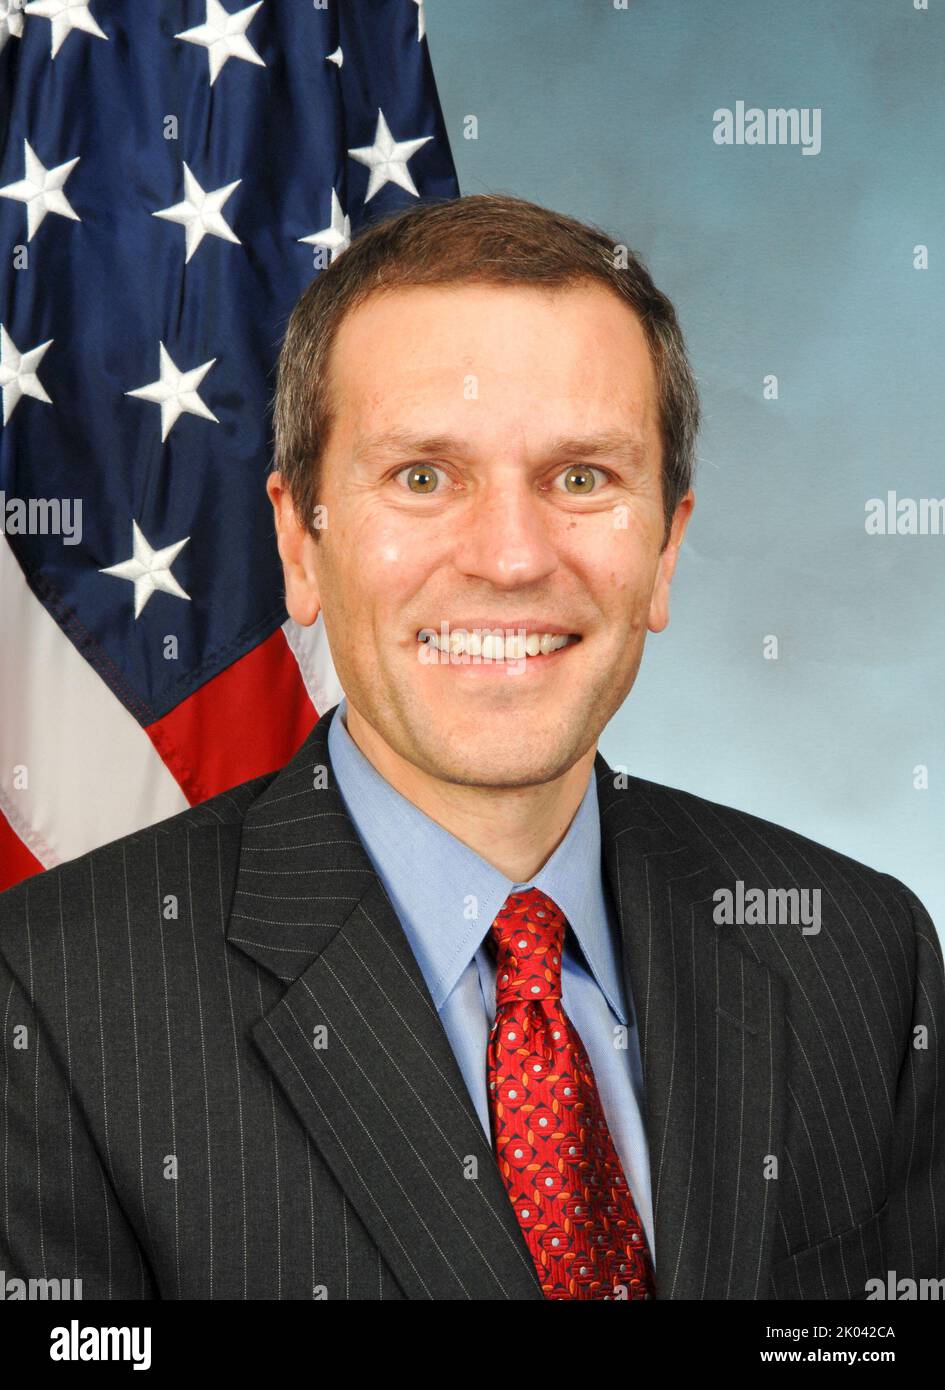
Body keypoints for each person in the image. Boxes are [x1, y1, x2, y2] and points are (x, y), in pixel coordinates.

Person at [0, 195, 941, 1301]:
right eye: (424, 477)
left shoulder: (858, 955)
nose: (509, 556)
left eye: (581, 476)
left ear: (667, 548)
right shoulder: (52, 999)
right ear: (300, 542)